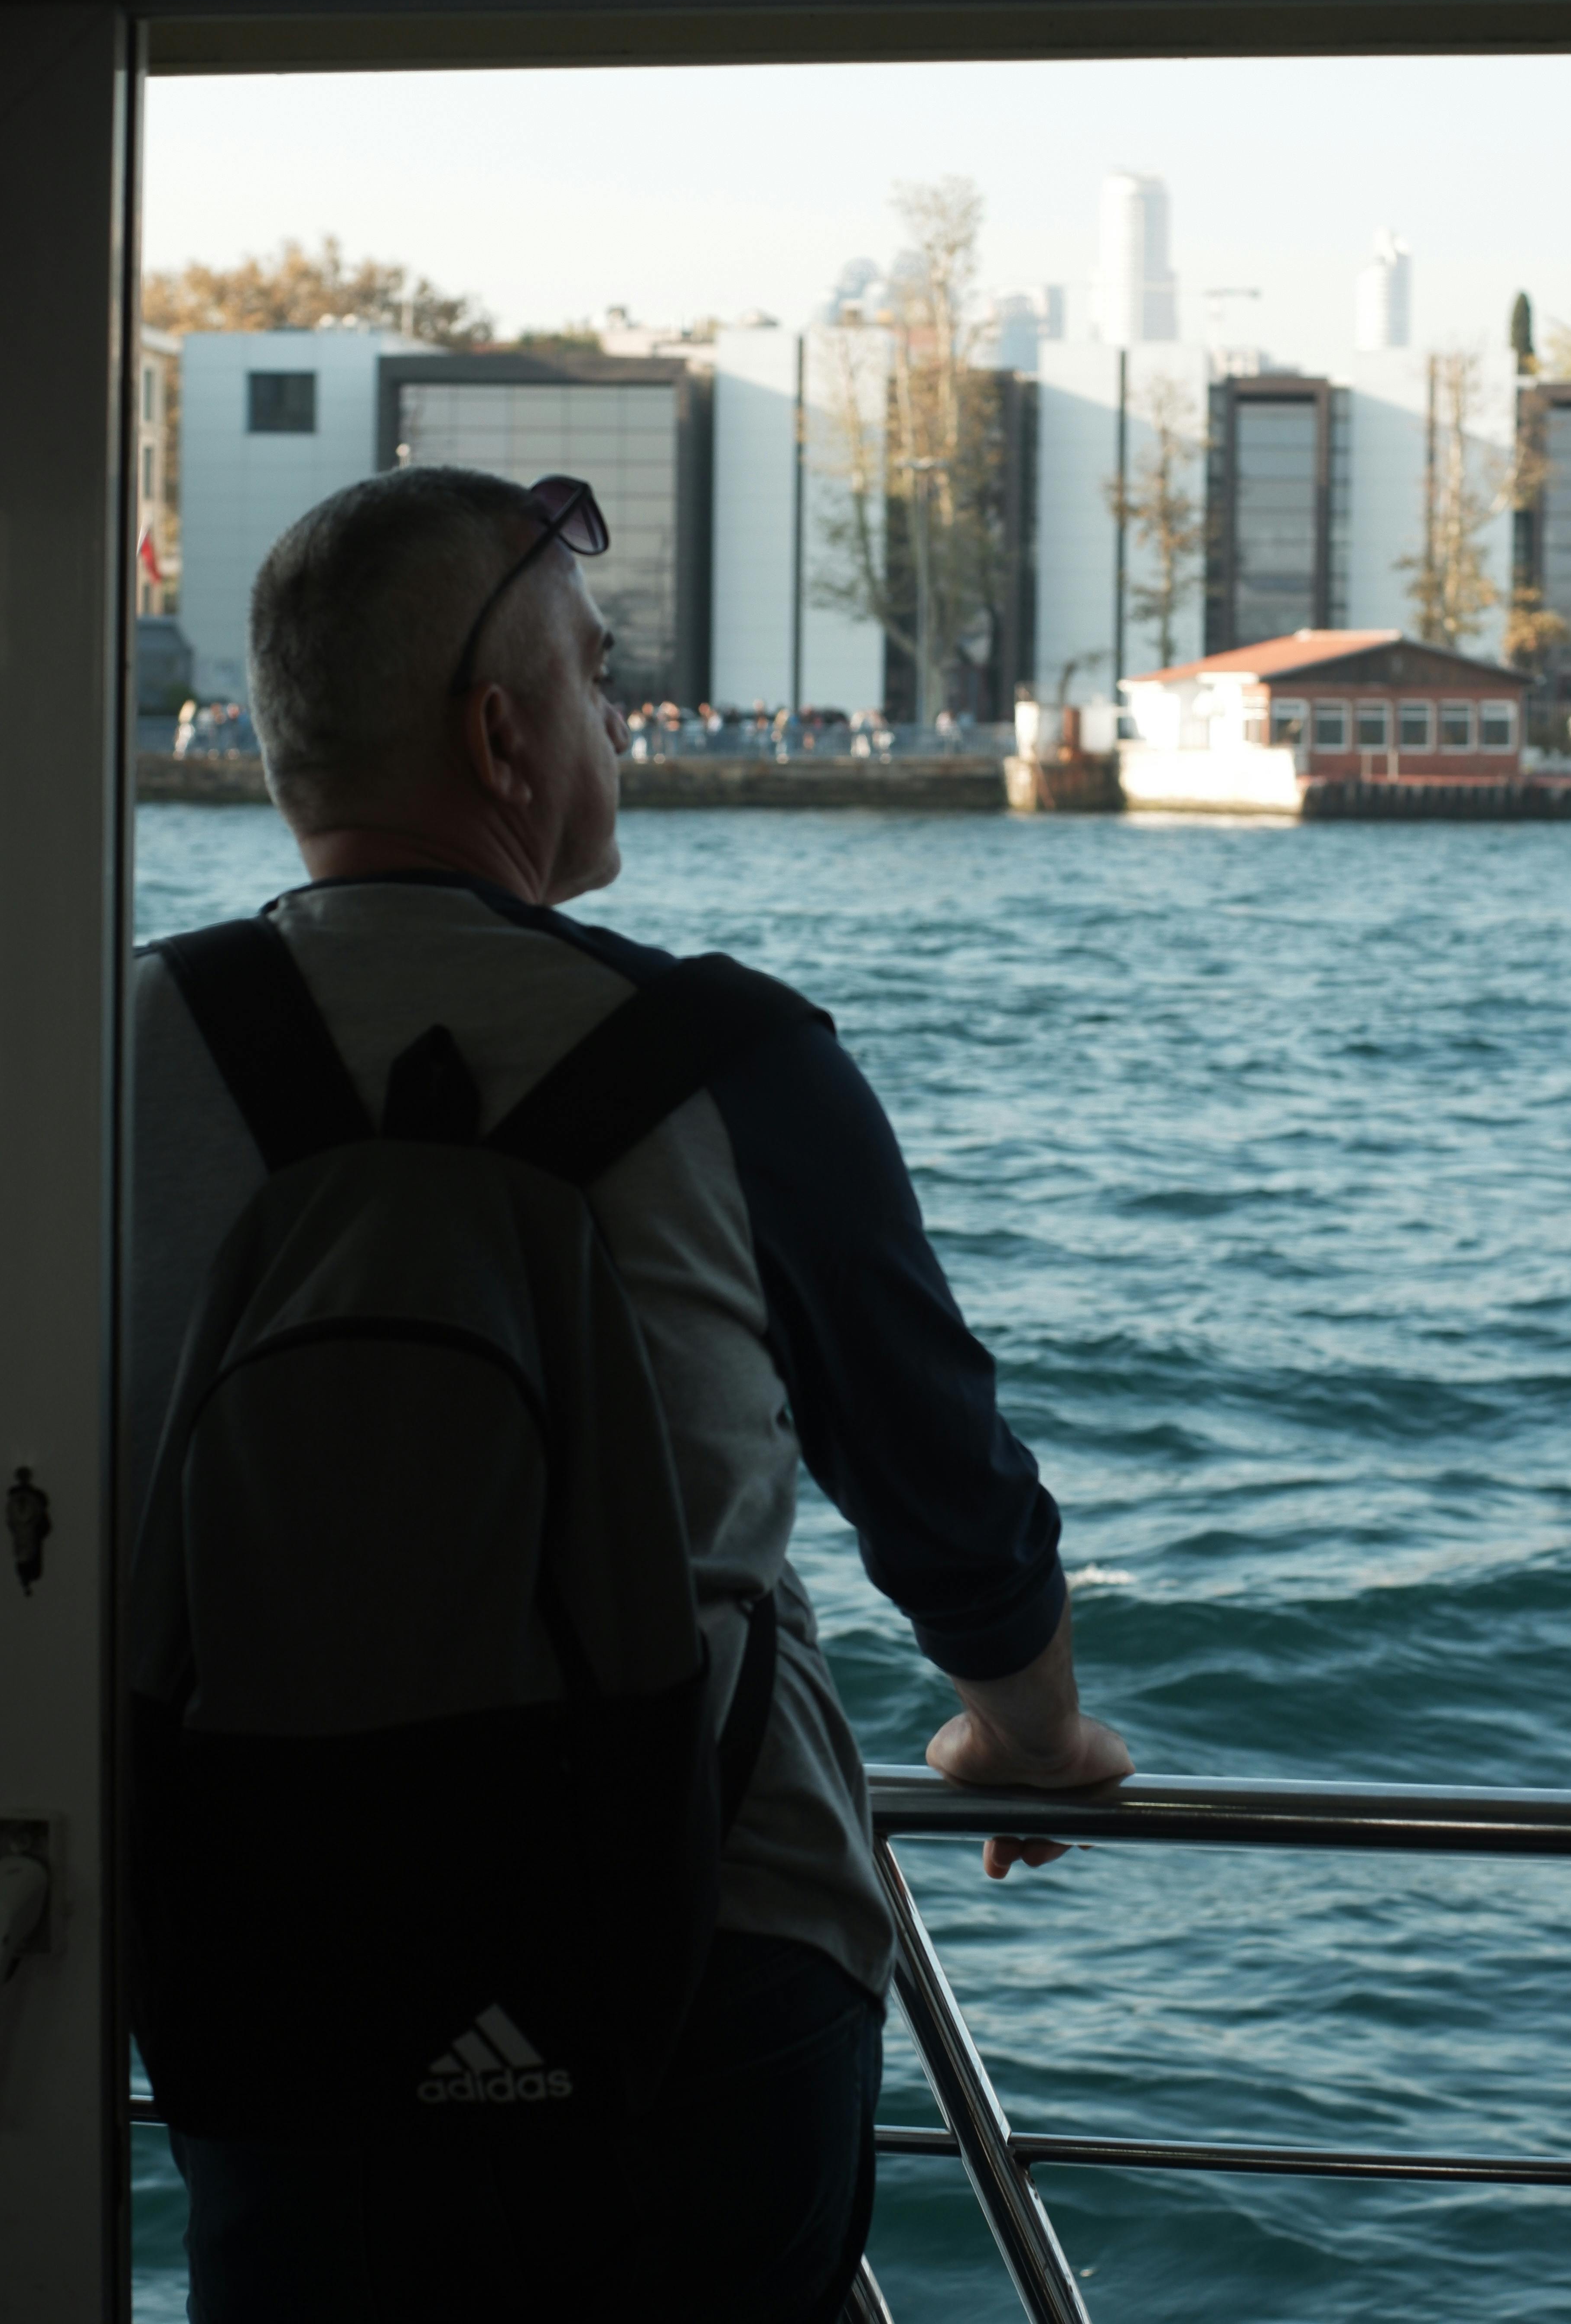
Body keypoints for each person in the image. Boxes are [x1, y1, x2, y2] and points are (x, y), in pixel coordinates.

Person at [130, 463, 1129, 2323]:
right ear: (503, 739)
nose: (626, 719)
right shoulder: (731, 1060)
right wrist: (1033, 1736)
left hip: (263, 1942)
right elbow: (945, 1504)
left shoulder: (106, 1053)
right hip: (698, 1962)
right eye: (598, 679)